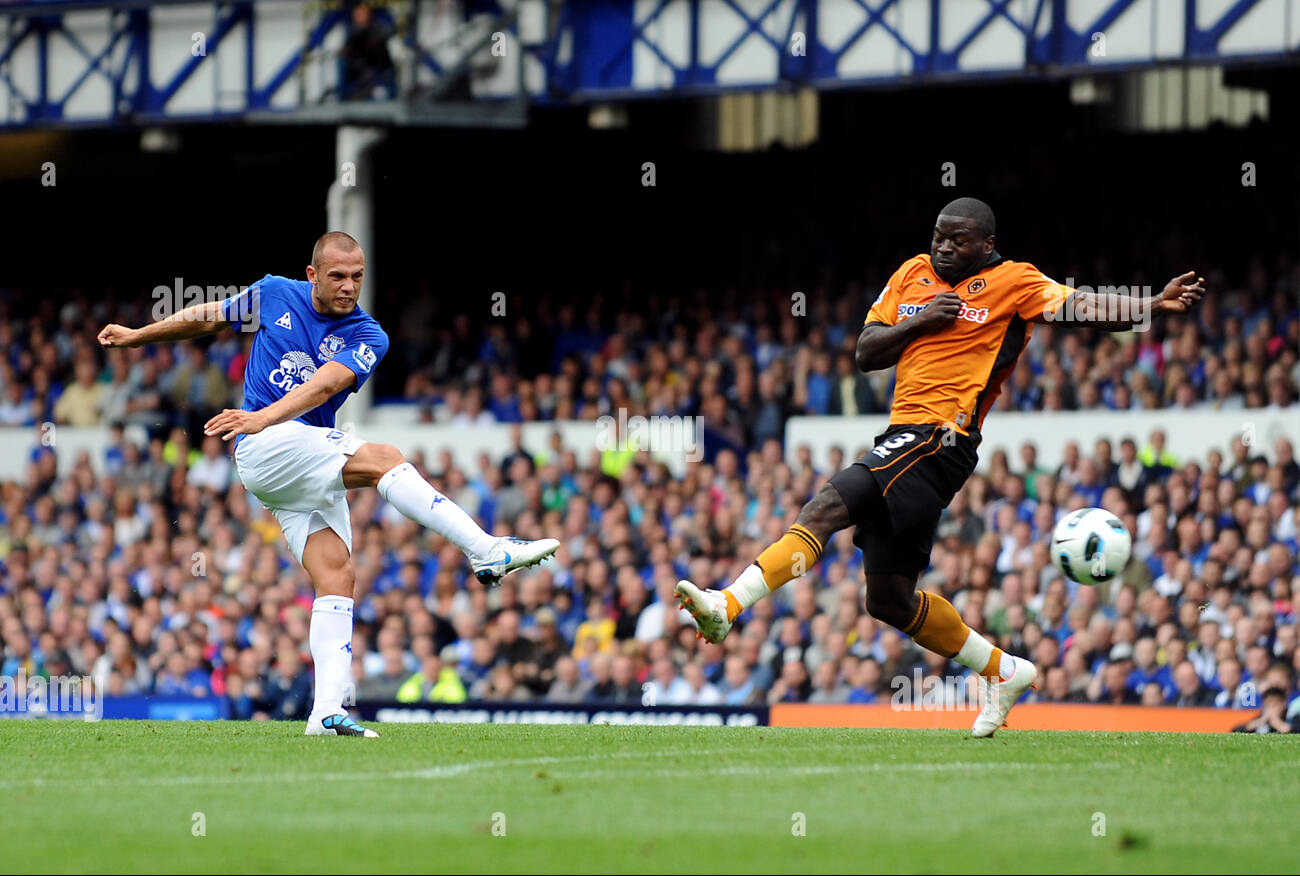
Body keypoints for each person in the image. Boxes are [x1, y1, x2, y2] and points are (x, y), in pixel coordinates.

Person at [675, 197, 1204, 737]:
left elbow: (1081, 306)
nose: (944, 247)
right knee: (887, 599)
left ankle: (728, 603)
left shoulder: (1015, 282)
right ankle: (1005, 672)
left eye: (958, 240)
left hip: (941, 437)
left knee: (829, 504)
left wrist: (1151, 306)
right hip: (904, 435)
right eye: (939, 236)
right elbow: (866, 350)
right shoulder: (911, 275)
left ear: (986, 246)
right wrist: (922, 322)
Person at [97, 232, 558, 737]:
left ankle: (325, 712)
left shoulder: (369, 334)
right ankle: (486, 550)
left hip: (294, 452)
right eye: (337, 275)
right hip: (269, 446)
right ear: (313, 274)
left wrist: (263, 415)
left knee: (337, 576)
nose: (348, 286)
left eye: (357, 276)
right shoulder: (275, 292)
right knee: (385, 458)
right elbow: (209, 315)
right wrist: (139, 335)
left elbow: (327, 385)